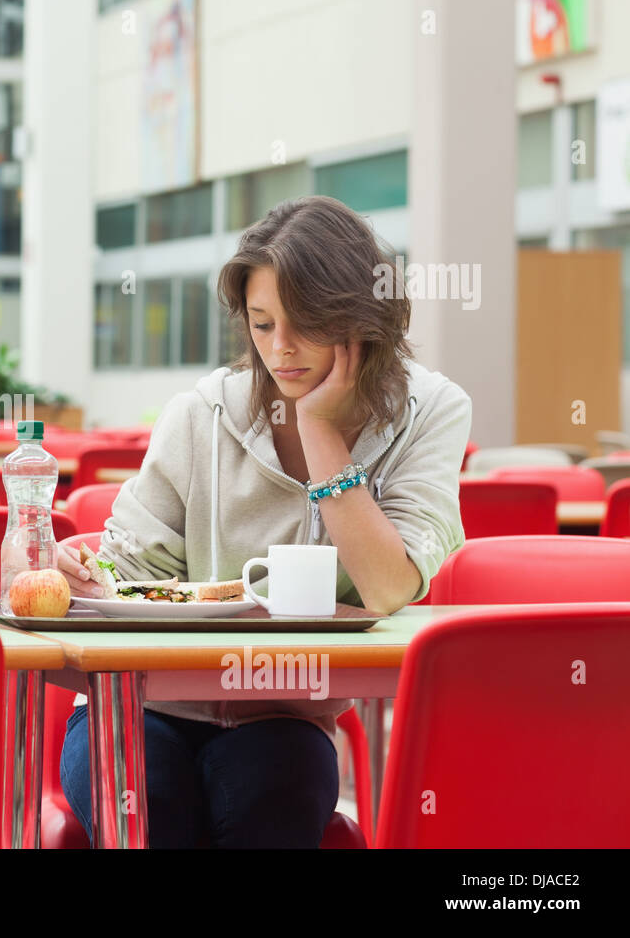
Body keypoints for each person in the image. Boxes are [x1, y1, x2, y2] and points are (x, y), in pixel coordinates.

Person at [57, 196, 472, 848]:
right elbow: (130, 567)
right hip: (142, 707)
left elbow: (390, 587)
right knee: (151, 805)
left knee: (269, 801)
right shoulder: (202, 413)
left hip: (285, 714)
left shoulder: (432, 411)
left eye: (304, 324)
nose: (279, 351)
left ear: (359, 318)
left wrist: (320, 431)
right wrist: (83, 571)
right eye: (260, 324)